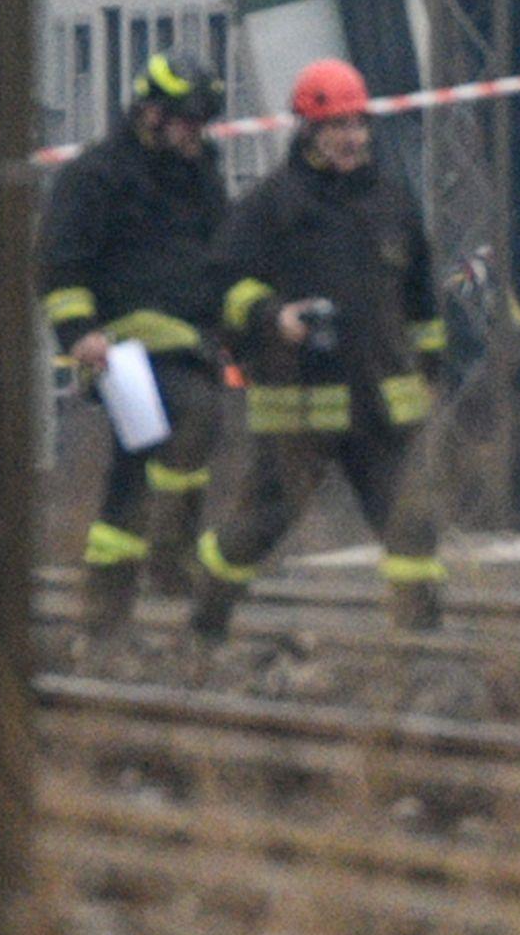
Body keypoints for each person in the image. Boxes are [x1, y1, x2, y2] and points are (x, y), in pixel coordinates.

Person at [189, 62, 447, 638]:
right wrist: (272, 316)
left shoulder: (393, 203)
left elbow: (423, 299)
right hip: (300, 409)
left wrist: (430, 367)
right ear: (308, 131)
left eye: (358, 124)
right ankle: (204, 617)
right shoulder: (271, 207)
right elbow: (214, 288)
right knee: (259, 525)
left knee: (411, 525)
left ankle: (419, 647)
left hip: (379, 407)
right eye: (336, 127)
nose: (351, 138)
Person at [41, 53, 235, 632]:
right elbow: (59, 265)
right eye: (186, 120)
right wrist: (80, 335)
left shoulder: (201, 173)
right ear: (149, 113)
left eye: (202, 122)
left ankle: (104, 619)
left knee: (134, 471)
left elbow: (221, 251)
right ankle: (169, 556)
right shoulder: (96, 177)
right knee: (193, 416)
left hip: (191, 342)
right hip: (120, 350)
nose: (195, 133)